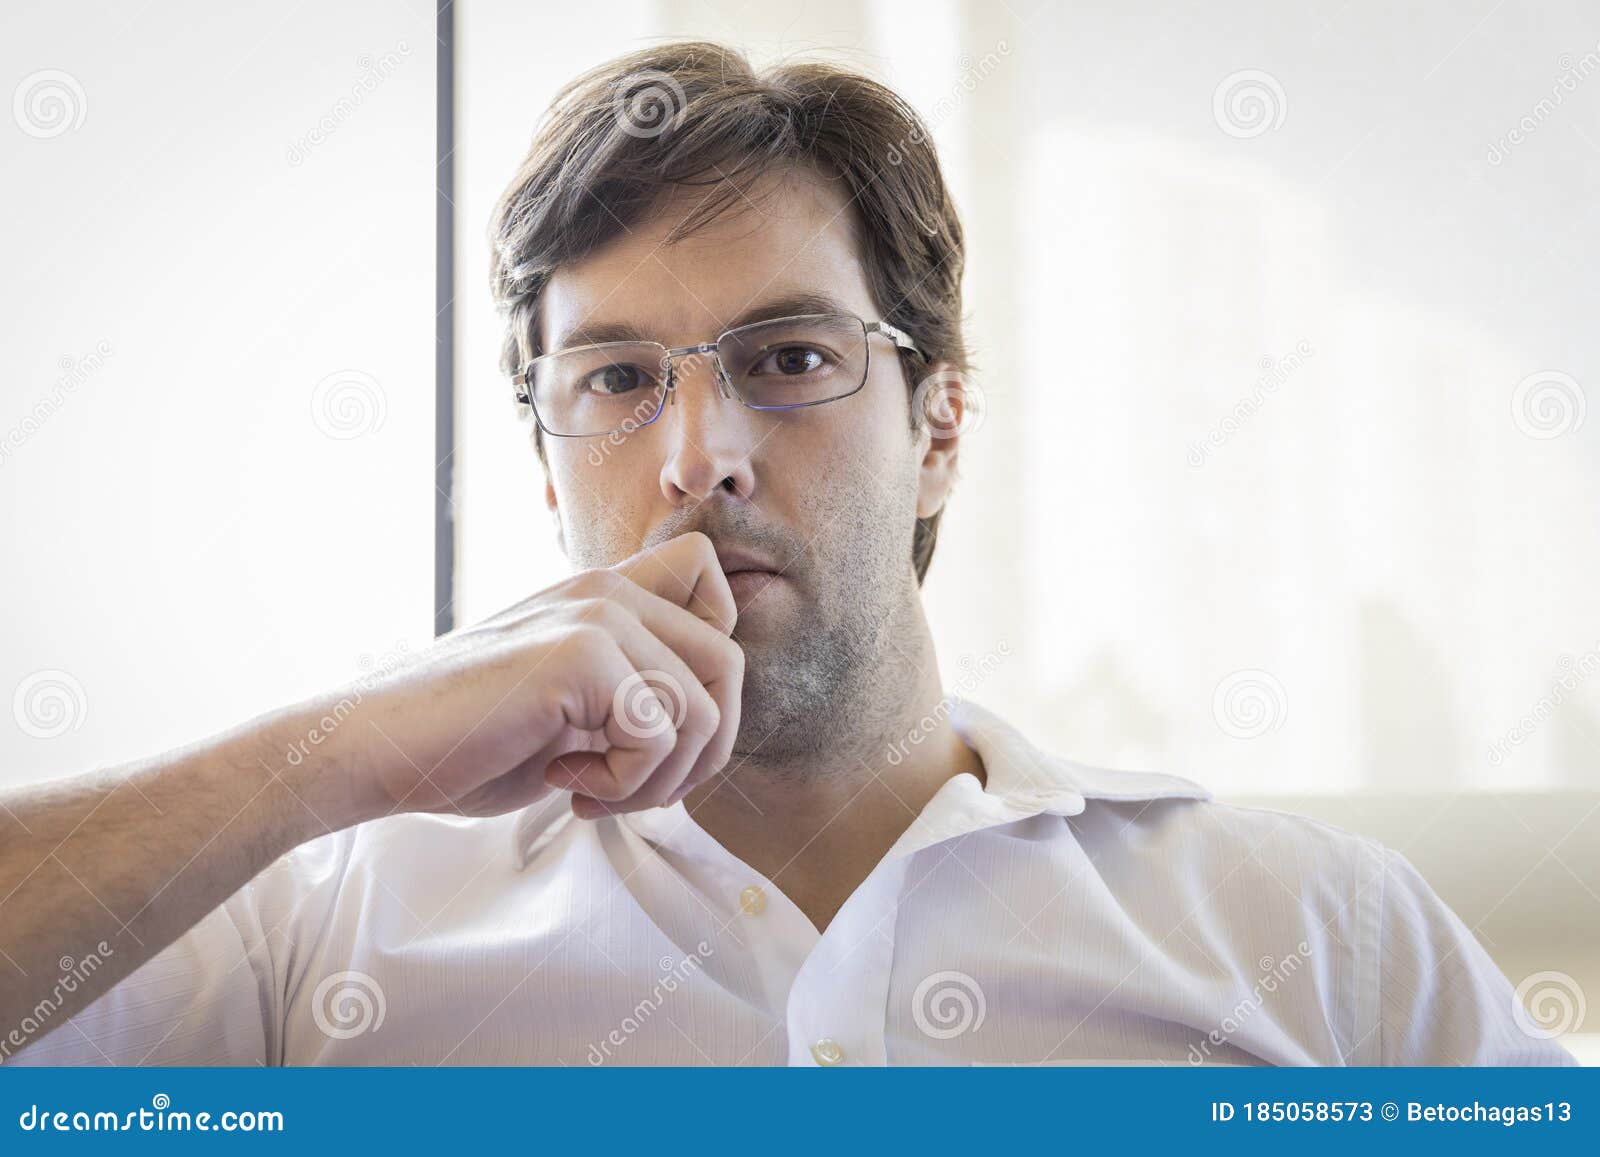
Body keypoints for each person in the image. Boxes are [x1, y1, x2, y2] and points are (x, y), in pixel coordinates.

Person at [0, 41, 1574, 1067]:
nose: (700, 455)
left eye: (791, 356)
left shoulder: (1325, 942)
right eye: (615, 381)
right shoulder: (315, 935)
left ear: (940, 422)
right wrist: (334, 758)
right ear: (548, 471)